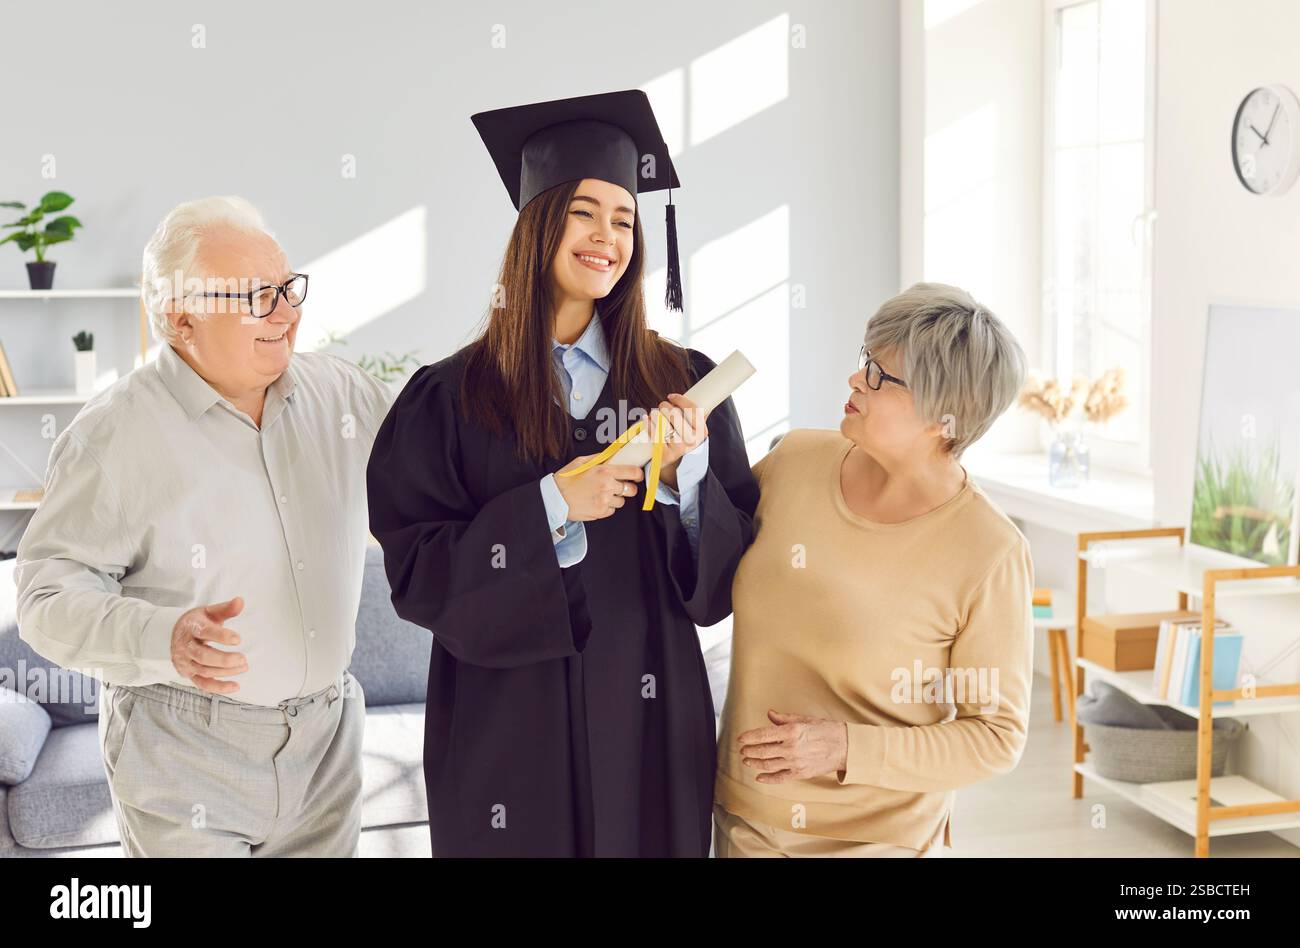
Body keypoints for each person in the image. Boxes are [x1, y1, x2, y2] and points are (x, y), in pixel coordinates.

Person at [366, 90, 759, 857]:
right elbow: (416, 574)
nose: (606, 237)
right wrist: (550, 505)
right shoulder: (448, 398)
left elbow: (727, 579)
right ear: (539, 223)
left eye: (624, 218)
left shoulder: (680, 384)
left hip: (650, 713)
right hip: (508, 725)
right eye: (583, 212)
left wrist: (684, 479)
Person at [14, 196, 393, 856]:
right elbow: (44, 602)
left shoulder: (342, 396)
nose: (286, 313)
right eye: (255, 297)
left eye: (286, 288)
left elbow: (456, 463)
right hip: (183, 751)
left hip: (327, 747)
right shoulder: (112, 437)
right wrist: (163, 636)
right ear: (180, 318)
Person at [714, 282, 1034, 857]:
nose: (856, 380)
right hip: (746, 820)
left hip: (877, 839)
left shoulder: (990, 551)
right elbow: (701, 551)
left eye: (882, 378)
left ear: (946, 417)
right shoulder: (793, 461)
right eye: (866, 361)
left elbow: (995, 737)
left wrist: (844, 749)